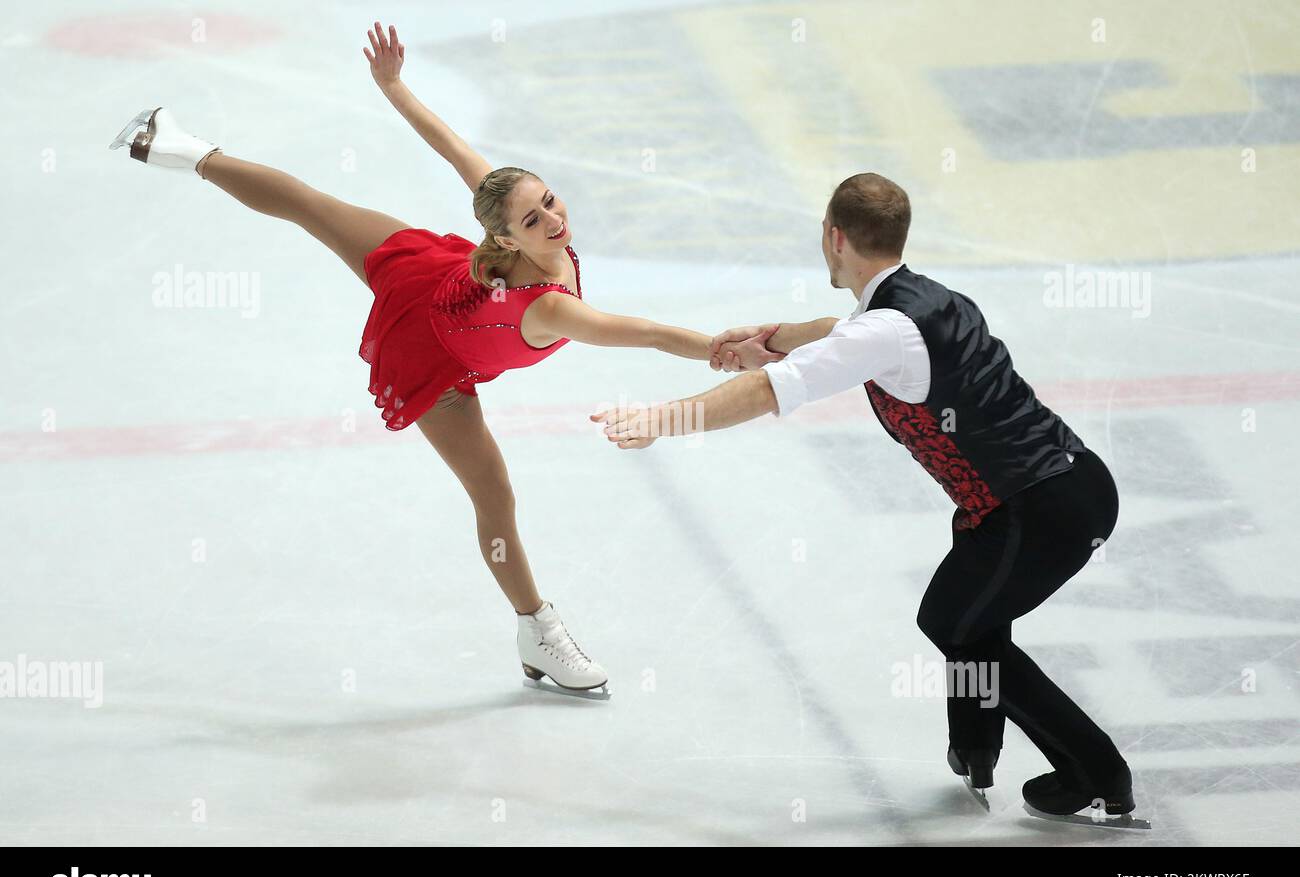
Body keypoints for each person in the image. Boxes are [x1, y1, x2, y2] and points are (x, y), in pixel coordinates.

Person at [109, 22, 720, 696]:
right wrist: (719, 349)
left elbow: (452, 145)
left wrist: (396, 87)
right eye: (533, 221)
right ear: (502, 235)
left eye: (549, 202)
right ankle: (537, 628)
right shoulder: (548, 307)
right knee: (494, 491)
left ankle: (176, 147)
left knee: (315, 208)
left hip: (431, 275)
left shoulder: (506, 213)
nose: (552, 221)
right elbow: (645, 332)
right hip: (430, 351)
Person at [594, 172, 1136, 818]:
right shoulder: (920, 300)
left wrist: (663, 418)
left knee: (954, 621)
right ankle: (976, 744)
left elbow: (776, 388)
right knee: (972, 618)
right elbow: (846, 329)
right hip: (1061, 485)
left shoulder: (882, 329)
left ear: (834, 236)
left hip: (1039, 507)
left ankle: (1096, 769)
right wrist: (772, 336)